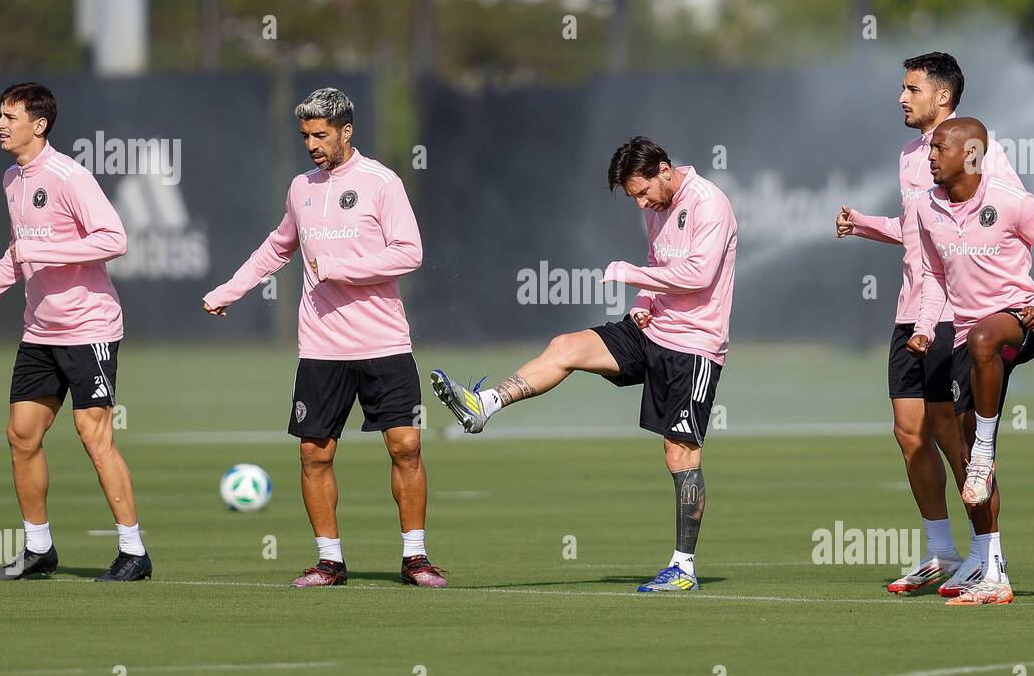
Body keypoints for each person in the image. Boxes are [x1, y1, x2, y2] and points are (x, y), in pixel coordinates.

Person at [430, 136, 736, 593]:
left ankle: (683, 569)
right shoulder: (655, 209)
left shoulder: (709, 203)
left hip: (694, 347)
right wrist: (641, 302)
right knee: (566, 346)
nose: (641, 202)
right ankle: (484, 405)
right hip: (651, 330)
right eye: (633, 196)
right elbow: (660, 266)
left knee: (679, 455)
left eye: (642, 191)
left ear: (665, 170)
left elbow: (698, 275)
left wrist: (629, 273)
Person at [203, 87, 445, 589]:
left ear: (345, 131)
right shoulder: (301, 188)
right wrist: (232, 289)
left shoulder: (382, 182)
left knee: (405, 447)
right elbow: (278, 246)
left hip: (385, 344)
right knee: (315, 453)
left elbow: (410, 253)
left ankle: (415, 559)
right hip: (321, 347)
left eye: (320, 134)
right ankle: (330, 561)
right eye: (305, 136)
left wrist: (340, 268)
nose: (311, 144)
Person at [837, 52, 1024, 596]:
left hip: (955, 313)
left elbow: (1004, 216)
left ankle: (988, 556)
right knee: (909, 431)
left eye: (912, 88)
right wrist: (867, 225)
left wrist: (1005, 299)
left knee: (957, 433)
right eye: (902, 87)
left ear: (942, 96)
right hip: (910, 310)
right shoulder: (909, 154)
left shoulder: (978, 150)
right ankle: (940, 551)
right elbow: (921, 229)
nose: (902, 97)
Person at [0, 81, 149, 582]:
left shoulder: (70, 175)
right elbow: (19, 251)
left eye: (9, 116)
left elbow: (115, 238)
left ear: (38, 125)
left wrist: (45, 253)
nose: (0, 124)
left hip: (89, 328)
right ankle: (38, 549)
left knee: (94, 434)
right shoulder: (11, 178)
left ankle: (134, 551)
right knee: (21, 435)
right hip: (39, 331)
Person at [908, 117, 1034, 606]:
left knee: (984, 339)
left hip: (1017, 325)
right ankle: (990, 565)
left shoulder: (1011, 200)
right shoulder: (927, 208)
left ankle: (984, 451)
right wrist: (923, 327)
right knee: (962, 455)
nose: (930, 156)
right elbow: (935, 276)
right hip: (966, 341)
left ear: (972, 154)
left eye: (939, 147)